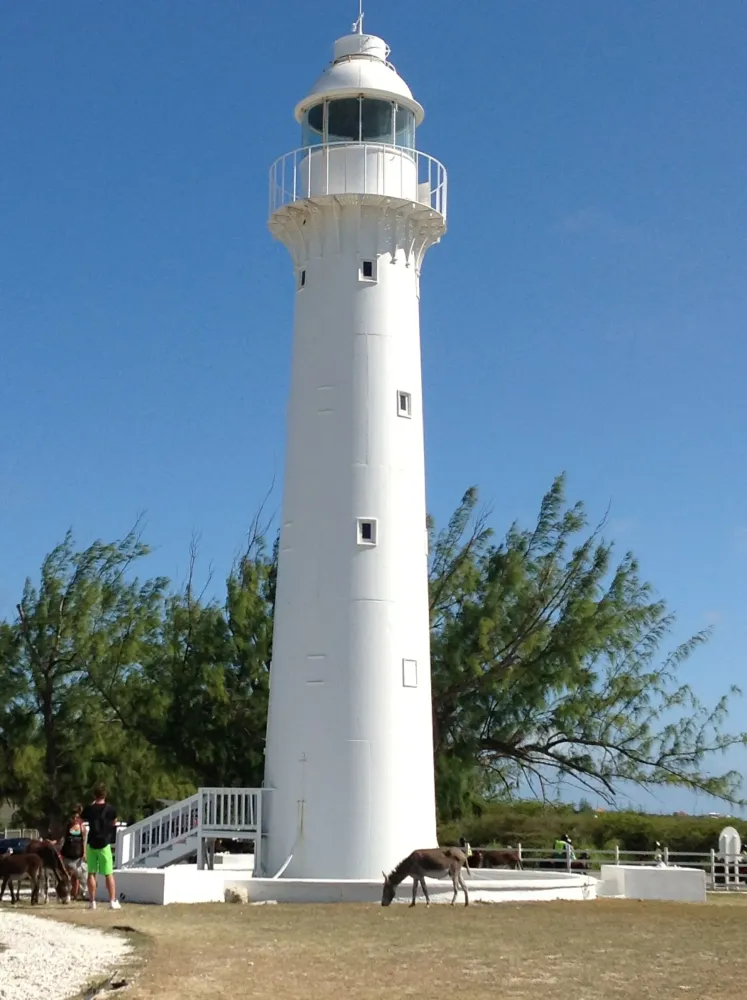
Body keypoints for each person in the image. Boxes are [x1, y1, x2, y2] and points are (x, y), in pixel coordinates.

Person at [81, 783, 121, 910]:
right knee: (108, 873)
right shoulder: (110, 809)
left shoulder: (89, 808)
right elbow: (114, 822)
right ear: (105, 794)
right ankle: (112, 901)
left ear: (94, 795)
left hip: (92, 842)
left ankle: (92, 902)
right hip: (104, 843)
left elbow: (82, 818)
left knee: (91, 873)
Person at [59, 804, 86, 901]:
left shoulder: (81, 825)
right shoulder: (69, 824)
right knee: (68, 875)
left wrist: (84, 852)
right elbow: (64, 838)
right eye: (73, 813)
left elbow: (83, 840)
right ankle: (69, 894)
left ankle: (75, 894)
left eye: (76, 813)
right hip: (68, 852)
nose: (74, 816)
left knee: (75, 876)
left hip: (76, 853)